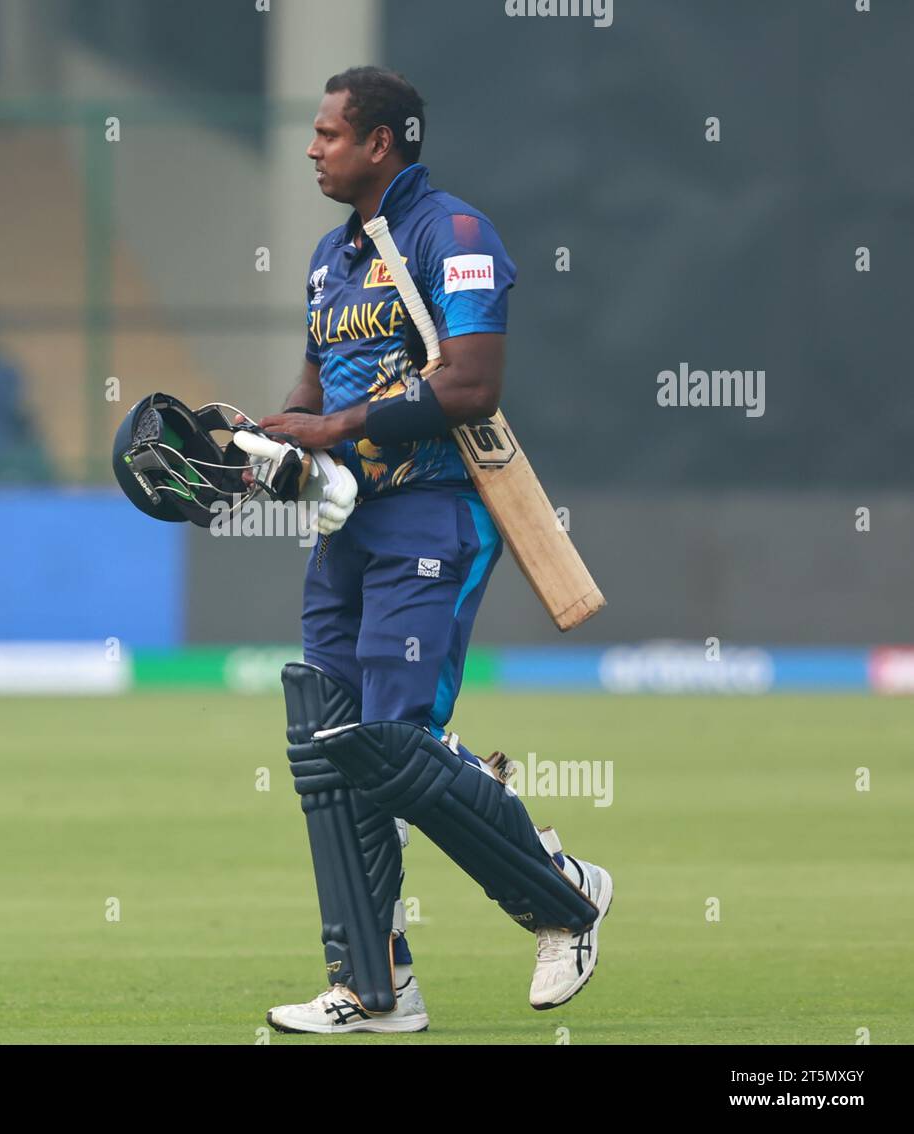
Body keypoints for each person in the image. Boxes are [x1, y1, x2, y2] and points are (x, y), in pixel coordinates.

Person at [256, 66, 613, 1035]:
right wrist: (266, 445)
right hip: (346, 527)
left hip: (433, 514)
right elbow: (311, 394)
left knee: (394, 743)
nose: (312, 148)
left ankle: (564, 897)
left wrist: (335, 429)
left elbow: (470, 386)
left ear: (380, 143)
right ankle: (374, 989)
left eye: (329, 133)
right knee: (331, 749)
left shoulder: (452, 234)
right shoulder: (331, 258)